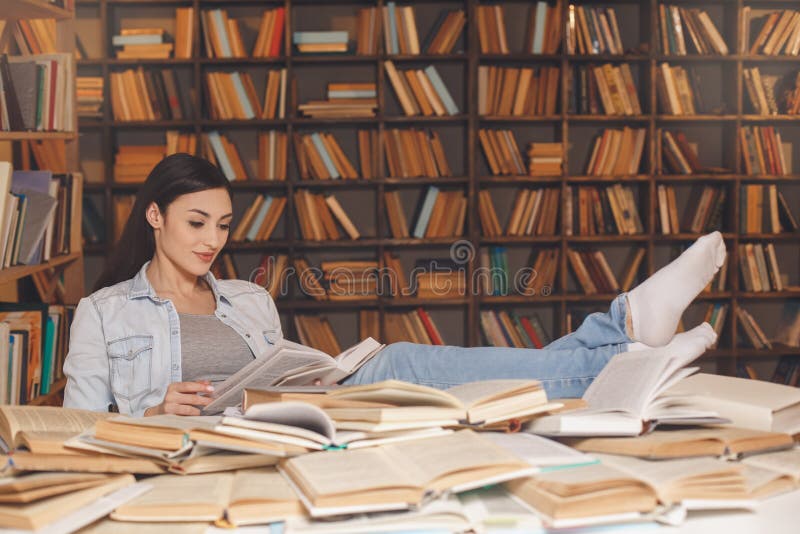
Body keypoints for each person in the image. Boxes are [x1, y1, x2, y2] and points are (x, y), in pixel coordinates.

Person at [63, 154, 725, 417]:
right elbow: (74, 433)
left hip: (302, 416)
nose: (213, 240)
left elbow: (284, 375)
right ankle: (624, 335)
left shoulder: (248, 298)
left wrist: (317, 376)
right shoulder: (104, 313)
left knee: (401, 360)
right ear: (155, 217)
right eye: (196, 222)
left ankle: (627, 332)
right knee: (429, 375)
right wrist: (151, 415)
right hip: (213, 443)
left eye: (224, 225)